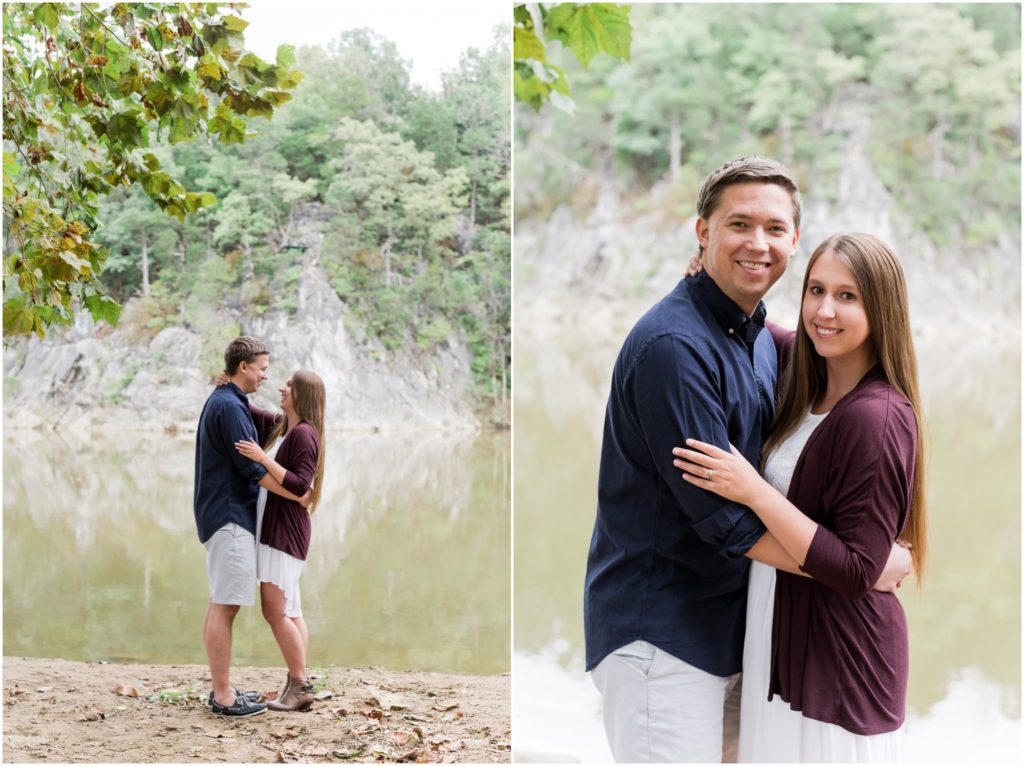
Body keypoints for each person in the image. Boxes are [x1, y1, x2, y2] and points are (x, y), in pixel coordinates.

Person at [583, 157, 912, 763]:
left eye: (775, 229)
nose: (757, 243)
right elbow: (726, 521)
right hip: (664, 636)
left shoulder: (756, 336)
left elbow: (825, 344)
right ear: (702, 232)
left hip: (737, 634)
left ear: (793, 241)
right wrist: (858, 569)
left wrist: (855, 561)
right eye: (739, 224)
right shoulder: (674, 349)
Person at [672, 232, 925, 761]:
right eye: (816, 290)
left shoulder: (874, 418)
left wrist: (755, 492)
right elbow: (758, 326)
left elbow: (858, 569)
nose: (825, 311)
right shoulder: (807, 371)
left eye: (848, 296)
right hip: (786, 640)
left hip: (839, 663)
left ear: (883, 308)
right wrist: (712, 277)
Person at [194, 336, 308, 717]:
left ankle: (223, 690)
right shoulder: (227, 406)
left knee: (220, 603)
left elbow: (272, 426)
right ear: (243, 367)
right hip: (229, 517)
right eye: (261, 368)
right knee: (225, 606)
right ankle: (223, 696)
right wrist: (296, 495)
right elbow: (253, 469)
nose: (266, 376)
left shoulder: (232, 401)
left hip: (228, 515)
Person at [233, 370, 326, 712]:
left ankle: (300, 685)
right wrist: (234, 392)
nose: (281, 388)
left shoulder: (304, 434)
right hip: (285, 532)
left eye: (289, 385)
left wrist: (261, 458)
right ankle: (297, 680)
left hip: (284, 533)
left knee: (275, 610)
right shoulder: (292, 428)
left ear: (303, 394)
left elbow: (301, 486)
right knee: (291, 610)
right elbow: (260, 416)